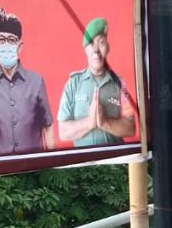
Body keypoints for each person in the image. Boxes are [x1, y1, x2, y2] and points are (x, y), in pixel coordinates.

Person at [0, 9, 55, 155]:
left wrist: (53, 167)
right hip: (1, 170)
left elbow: (47, 127)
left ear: (19, 46)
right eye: (1, 40)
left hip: (32, 168)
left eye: (11, 40)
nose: (6, 45)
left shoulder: (36, 82)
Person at [57, 17, 137, 147]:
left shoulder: (120, 83)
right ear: (85, 50)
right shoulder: (73, 83)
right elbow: (63, 132)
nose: (96, 50)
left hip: (113, 162)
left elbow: (131, 128)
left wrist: (105, 122)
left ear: (108, 47)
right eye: (91, 44)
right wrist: (89, 123)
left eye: (101, 43)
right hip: (83, 164)